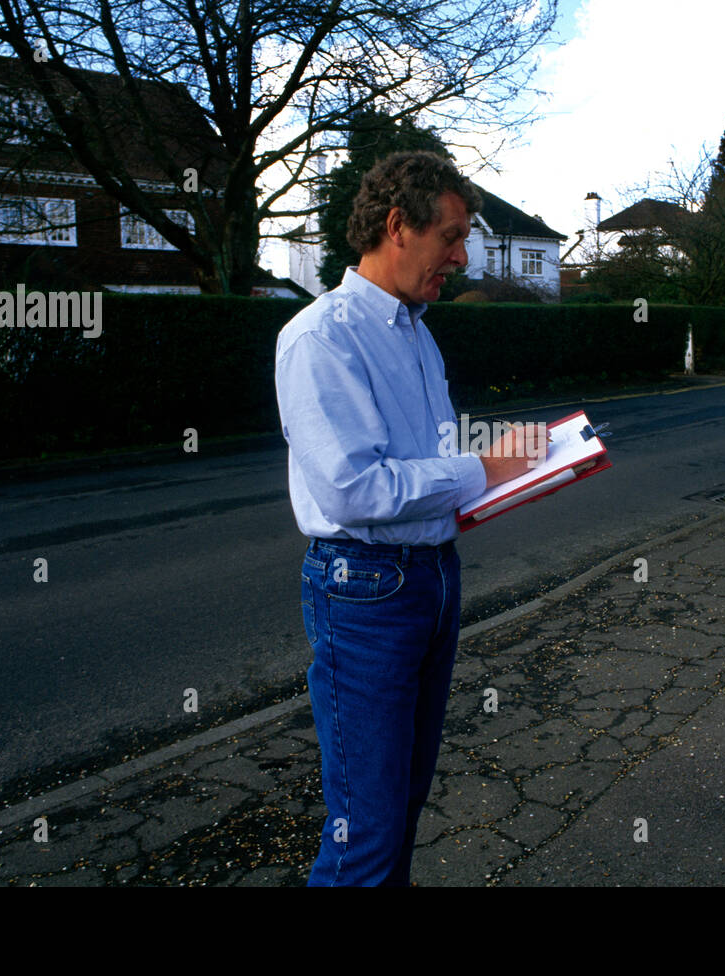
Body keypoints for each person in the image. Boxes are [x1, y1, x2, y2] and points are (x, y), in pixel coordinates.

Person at [275, 150, 546, 886]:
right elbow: (355, 490)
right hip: (364, 590)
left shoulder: (416, 329)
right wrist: (484, 469)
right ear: (398, 225)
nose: (461, 257)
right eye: (451, 237)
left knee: (398, 813)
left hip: (430, 579)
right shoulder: (320, 337)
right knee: (363, 835)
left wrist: (500, 480)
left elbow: (424, 461)